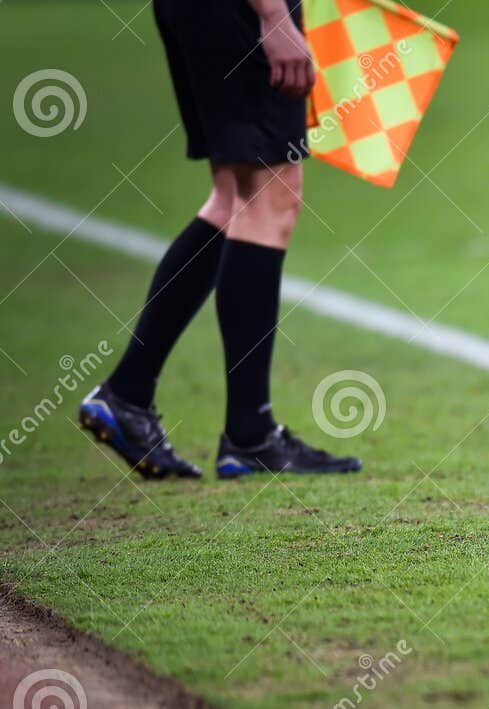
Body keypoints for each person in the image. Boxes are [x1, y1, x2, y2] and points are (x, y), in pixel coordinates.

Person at [78, 0, 360, 479]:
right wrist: (273, 15)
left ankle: (128, 394)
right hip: (241, 13)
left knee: (234, 199)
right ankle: (249, 434)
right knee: (271, 199)